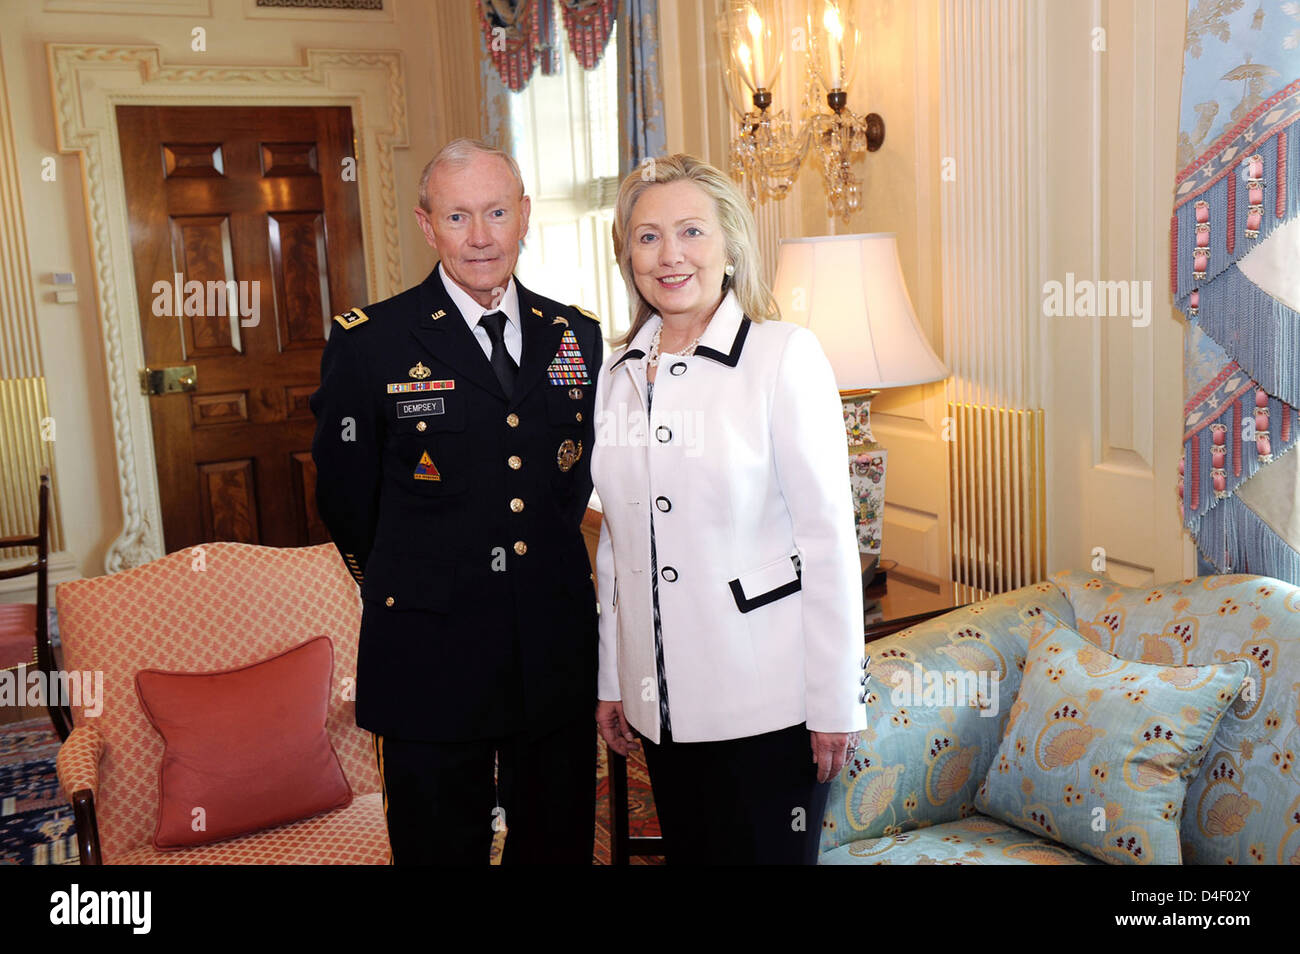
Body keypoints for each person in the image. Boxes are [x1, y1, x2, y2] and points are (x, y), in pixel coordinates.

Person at [310, 138, 603, 865]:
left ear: (525, 214)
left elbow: (574, 484)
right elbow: (347, 503)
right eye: (458, 216)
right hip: (428, 649)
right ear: (425, 225)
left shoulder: (577, 336)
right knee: (441, 849)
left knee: (558, 845)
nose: (480, 237)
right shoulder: (371, 344)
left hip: (552, 645)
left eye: (497, 212)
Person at [591, 154, 867, 865]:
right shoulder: (618, 373)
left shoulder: (783, 357)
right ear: (627, 255)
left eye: (691, 231)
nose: (670, 255)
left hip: (768, 705)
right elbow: (618, 547)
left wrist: (837, 701)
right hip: (664, 710)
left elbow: (829, 538)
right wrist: (616, 682)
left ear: (731, 245)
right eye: (648, 236)